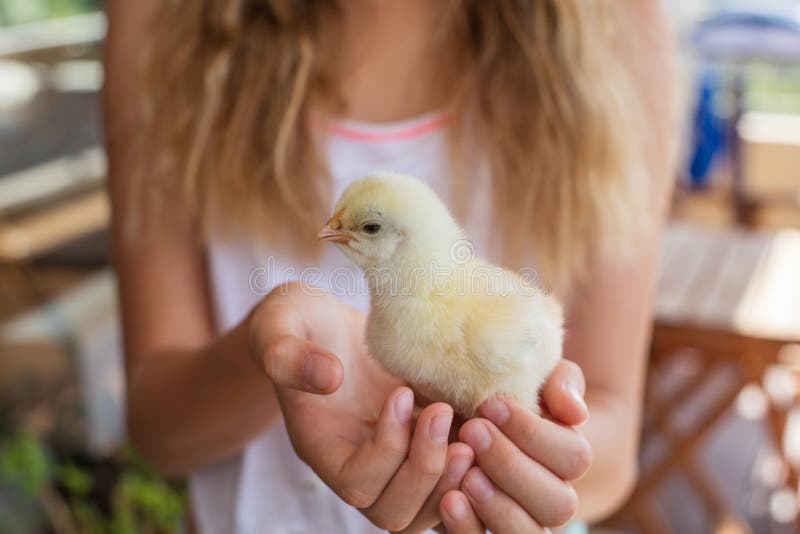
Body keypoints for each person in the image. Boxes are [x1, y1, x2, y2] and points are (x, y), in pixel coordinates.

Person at [103, 1, 676, 532]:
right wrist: (270, 354)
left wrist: (521, 463)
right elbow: (159, 431)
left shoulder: (617, 20)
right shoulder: (164, 15)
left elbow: (608, 437)